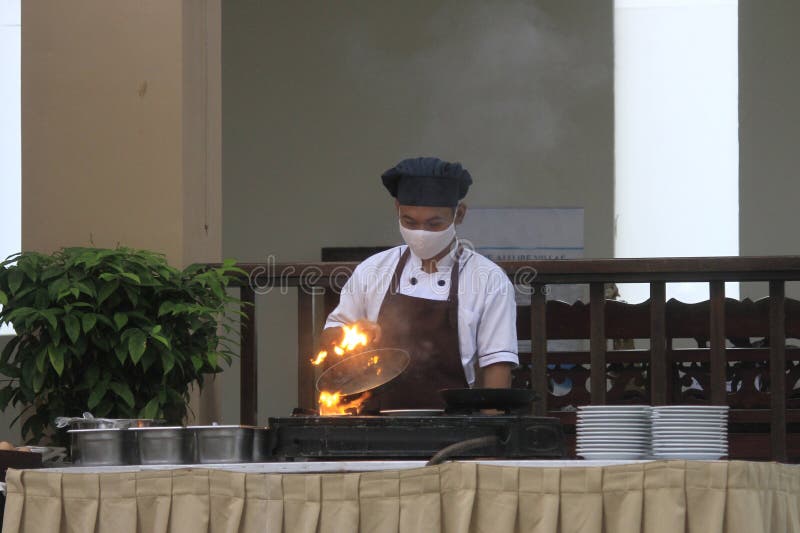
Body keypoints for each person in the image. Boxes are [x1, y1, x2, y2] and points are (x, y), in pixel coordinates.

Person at [321, 157, 518, 410]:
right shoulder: (372, 270)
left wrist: (492, 434)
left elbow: (497, 367)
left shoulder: (488, 279)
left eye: (434, 223)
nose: (422, 233)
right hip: (373, 424)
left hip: (453, 429)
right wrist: (353, 333)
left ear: (459, 214)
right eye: (410, 222)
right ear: (397, 209)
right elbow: (330, 337)